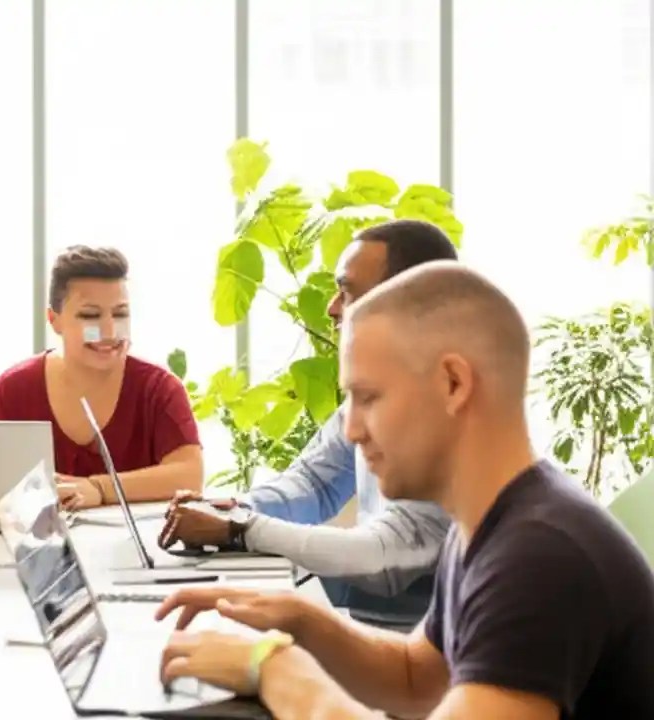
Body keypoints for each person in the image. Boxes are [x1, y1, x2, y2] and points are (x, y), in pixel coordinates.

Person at [154, 262, 654, 719]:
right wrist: (298, 619)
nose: (350, 429)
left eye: (368, 397)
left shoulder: (539, 556)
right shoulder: (490, 523)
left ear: (453, 384)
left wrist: (275, 666)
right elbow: (418, 679)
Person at [158, 219, 457, 627]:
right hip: (377, 632)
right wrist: (233, 508)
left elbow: (385, 555)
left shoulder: (445, 416)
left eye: (348, 292)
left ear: (408, 307)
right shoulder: (374, 393)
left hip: (425, 652)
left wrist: (240, 529)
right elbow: (314, 483)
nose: (332, 308)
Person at [0, 245, 202, 510]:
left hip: (136, 550)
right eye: (90, 316)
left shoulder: (159, 389)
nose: (108, 331)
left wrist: (99, 488)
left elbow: (189, 476)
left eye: (120, 314)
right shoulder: (14, 388)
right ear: (54, 320)